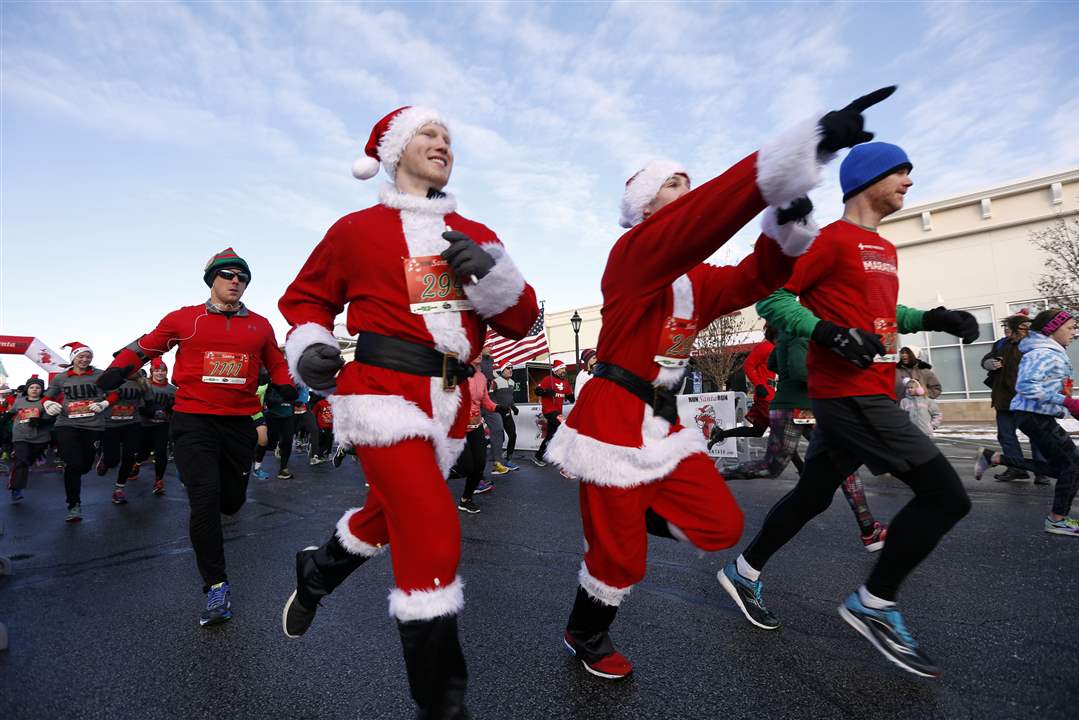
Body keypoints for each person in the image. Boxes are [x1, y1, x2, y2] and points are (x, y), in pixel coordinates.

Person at [543, 84, 885, 678]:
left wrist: (785, 229)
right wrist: (798, 150)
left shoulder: (694, 280)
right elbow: (703, 222)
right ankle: (587, 632)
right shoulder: (634, 253)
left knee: (721, 525)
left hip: (663, 419)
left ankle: (633, 513)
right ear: (645, 206)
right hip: (614, 415)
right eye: (672, 183)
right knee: (619, 557)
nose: (687, 191)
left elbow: (754, 278)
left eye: (687, 182)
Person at [277, 106, 539, 719]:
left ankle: (317, 572)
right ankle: (441, 706)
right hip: (379, 393)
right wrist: (313, 346)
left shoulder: (475, 230)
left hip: (448, 402)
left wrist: (493, 278)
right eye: (427, 133)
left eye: (448, 136)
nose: (441, 142)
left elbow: (522, 320)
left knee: (387, 514)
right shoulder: (355, 230)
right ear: (394, 153)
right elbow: (306, 298)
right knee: (432, 530)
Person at [724, 139, 977, 679]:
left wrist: (935, 316)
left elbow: (885, 312)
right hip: (849, 394)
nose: (910, 183)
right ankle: (876, 602)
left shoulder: (884, 248)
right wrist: (829, 334)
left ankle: (744, 572)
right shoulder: (829, 241)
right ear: (867, 179)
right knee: (945, 496)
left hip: (873, 391)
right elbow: (773, 298)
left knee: (812, 496)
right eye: (901, 174)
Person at [98, 248, 296, 626]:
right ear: (212, 280)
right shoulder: (185, 319)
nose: (236, 281)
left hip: (239, 424)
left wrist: (285, 387)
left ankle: (226, 500)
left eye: (242, 276)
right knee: (204, 500)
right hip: (193, 421)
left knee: (232, 502)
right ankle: (216, 587)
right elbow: (145, 346)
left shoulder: (260, 325)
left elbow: (277, 363)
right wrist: (114, 372)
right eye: (228, 275)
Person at [722, 330, 887, 552]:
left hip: (805, 407)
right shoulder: (800, 332)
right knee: (772, 467)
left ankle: (868, 529)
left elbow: (773, 363)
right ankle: (715, 476)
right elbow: (797, 370)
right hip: (793, 407)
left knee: (842, 464)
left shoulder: (792, 335)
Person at [974, 308, 1079, 536]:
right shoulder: (1042, 352)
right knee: (1073, 465)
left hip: (1035, 415)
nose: (1074, 332)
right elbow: (1026, 386)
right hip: (1033, 415)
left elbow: (1050, 385)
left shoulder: (1049, 350)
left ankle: (994, 458)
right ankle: (1056, 520)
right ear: (1052, 329)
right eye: (1070, 328)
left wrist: (1068, 404)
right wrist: (1068, 403)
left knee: (1066, 467)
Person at [43, 342, 116, 522]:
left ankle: (96, 460)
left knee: (84, 466)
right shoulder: (61, 378)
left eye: (88, 356)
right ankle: (74, 505)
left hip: (93, 425)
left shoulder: (100, 375)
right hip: (67, 423)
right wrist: (47, 403)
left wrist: (104, 403)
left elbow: (115, 393)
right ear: (73, 358)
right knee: (73, 464)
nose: (85, 359)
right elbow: (47, 395)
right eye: (81, 356)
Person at [982, 312, 1047, 483]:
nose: (1006, 331)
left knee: (1036, 434)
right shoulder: (1001, 344)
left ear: (1023, 329)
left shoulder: (1033, 345)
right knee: (1006, 435)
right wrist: (990, 363)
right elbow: (986, 360)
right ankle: (1016, 468)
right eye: (1005, 327)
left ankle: (1041, 471)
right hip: (1004, 398)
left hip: (1027, 399)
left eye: (1009, 327)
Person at [97, 372, 149, 505]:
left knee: (129, 456)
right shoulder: (111, 378)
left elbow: (147, 401)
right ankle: (106, 459)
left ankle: (119, 489)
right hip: (111, 424)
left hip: (132, 423)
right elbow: (99, 396)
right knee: (112, 461)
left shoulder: (141, 382)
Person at [458, 357, 499, 513]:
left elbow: (485, 401)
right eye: (477, 349)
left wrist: (498, 408)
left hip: (476, 426)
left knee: (479, 464)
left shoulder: (482, 377)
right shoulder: (456, 371)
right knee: (465, 466)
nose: (480, 353)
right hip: (459, 427)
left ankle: (466, 499)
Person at [6, 376, 54, 503]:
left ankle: (38, 455)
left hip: (40, 437)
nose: (34, 390)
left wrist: (41, 421)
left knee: (27, 461)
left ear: (42, 390)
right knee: (21, 461)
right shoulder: (19, 401)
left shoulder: (46, 402)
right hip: (20, 435)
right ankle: (16, 489)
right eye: (32, 387)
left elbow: (51, 419)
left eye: (38, 388)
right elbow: (10, 413)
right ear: (27, 389)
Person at [137, 358, 177, 496]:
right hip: (145, 424)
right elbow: (138, 404)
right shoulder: (145, 385)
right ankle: (136, 464)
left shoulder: (172, 389)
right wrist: (149, 412)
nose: (160, 373)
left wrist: (171, 410)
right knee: (144, 453)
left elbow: (175, 406)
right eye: (157, 370)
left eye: (163, 370)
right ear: (152, 372)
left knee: (161, 452)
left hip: (162, 425)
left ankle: (159, 481)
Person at [532, 360, 574, 467]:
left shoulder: (565, 383)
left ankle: (538, 456)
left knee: (550, 436)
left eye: (564, 369)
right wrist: (546, 392)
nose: (564, 371)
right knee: (565, 427)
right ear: (555, 370)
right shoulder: (548, 379)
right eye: (561, 369)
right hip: (549, 411)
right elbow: (537, 391)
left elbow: (571, 397)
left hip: (557, 412)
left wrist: (575, 398)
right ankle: (567, 458)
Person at [261, 382, 297, 479]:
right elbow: (267, 399)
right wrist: (282, 399)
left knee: (288, 440)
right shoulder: (271, 383)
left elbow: (300, 392)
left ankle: (283, 469)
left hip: (288, 416)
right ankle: (256, 463)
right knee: (269, 443)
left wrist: (296, 400)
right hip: (273, 416)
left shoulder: (294, 378)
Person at [491, 363, 520, 470]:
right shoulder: (496, 381)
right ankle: (496, 462)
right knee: (500, 438)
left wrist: (513, 407)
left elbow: (510, 398)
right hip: (497, 413)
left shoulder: (512, 382)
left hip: (507, 413)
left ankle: (508, 460)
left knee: (513, 435)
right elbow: (490, 396)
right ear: (502, 370)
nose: (510, 370)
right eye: (508, 368)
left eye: (512, 368)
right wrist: (496, 407)